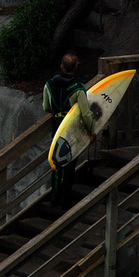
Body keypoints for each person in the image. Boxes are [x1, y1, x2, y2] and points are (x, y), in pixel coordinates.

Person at [43, 53, 93, 208]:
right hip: (71, 129)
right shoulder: (78, 88)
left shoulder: (49, 84)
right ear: (76, 68)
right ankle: (65, 200)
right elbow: (86, 114)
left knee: (56, 162)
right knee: (70, 163)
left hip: (56, 128)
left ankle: (54, 198)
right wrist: (92, 131)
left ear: (61, 67)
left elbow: (46, 107)